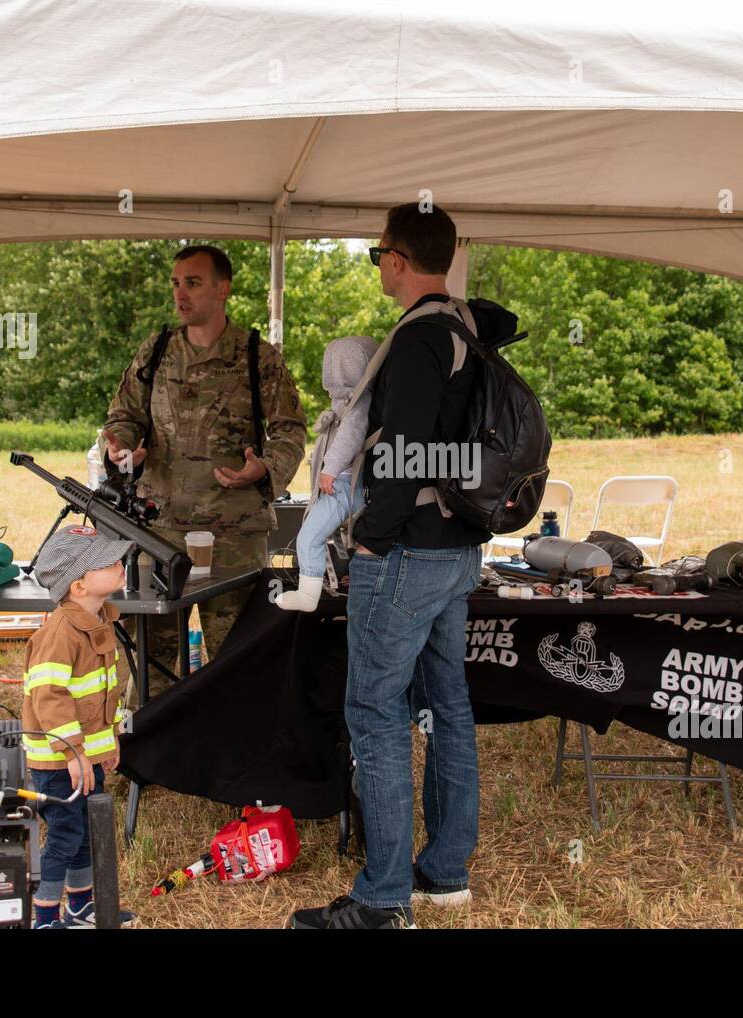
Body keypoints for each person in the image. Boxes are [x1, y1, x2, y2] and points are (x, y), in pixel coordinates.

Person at [291, 203, 492, 929]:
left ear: (397, 260)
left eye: (379, 255)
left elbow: (403, 451)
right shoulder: (471, 327)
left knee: (376, 713)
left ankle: (381, 900)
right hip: (457, 547)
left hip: (405, 550)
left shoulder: (415, 340)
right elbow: (447, 451)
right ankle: (443, 873)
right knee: (448, 708)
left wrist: (370, 535)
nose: (378, 265)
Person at [100, 245, 306, 695]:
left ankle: (232, 762)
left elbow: (290, 429)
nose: (180, 293)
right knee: (149, 664)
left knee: (236, 667)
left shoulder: (257, 357)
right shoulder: (155, 352)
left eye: (192, 282)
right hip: (159, 534)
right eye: (176, 283)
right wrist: (120, 448)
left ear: (223, 289)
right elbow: (123, 416)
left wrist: (264, 469)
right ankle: (148, 763)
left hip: (232, 539)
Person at [23, 525, 137, 928]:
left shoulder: (100, 620)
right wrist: (73, 752)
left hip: (85, 757)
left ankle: (81, 907)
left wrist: (109, 742)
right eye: (107, 563)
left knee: (87, 834)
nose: (120, 564)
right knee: (65, 836)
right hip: (59, 762)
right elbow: (50, 698)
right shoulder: (59, 634)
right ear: (78, 586)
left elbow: (101, 697)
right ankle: (44, 915)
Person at [275, 335, 379, 611]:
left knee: (309, 537)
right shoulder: (352, 402)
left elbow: (350, 438)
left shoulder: (357, 404)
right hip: (345, 484)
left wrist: (330, 469)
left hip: (343, 485)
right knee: (338, 542)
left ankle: (308, 595)